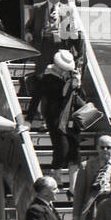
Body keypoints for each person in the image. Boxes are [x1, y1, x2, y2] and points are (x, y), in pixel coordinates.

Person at [39, 49, 81, 178]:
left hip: (69, 117)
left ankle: (73, 186)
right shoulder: (48, 76)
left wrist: (77, 84)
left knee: (74, 150)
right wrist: (70, 84)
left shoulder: (68, 76)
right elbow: (61, 94)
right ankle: (55, 177)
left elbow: (77, 96)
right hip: (55, 117)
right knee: (62, 148)